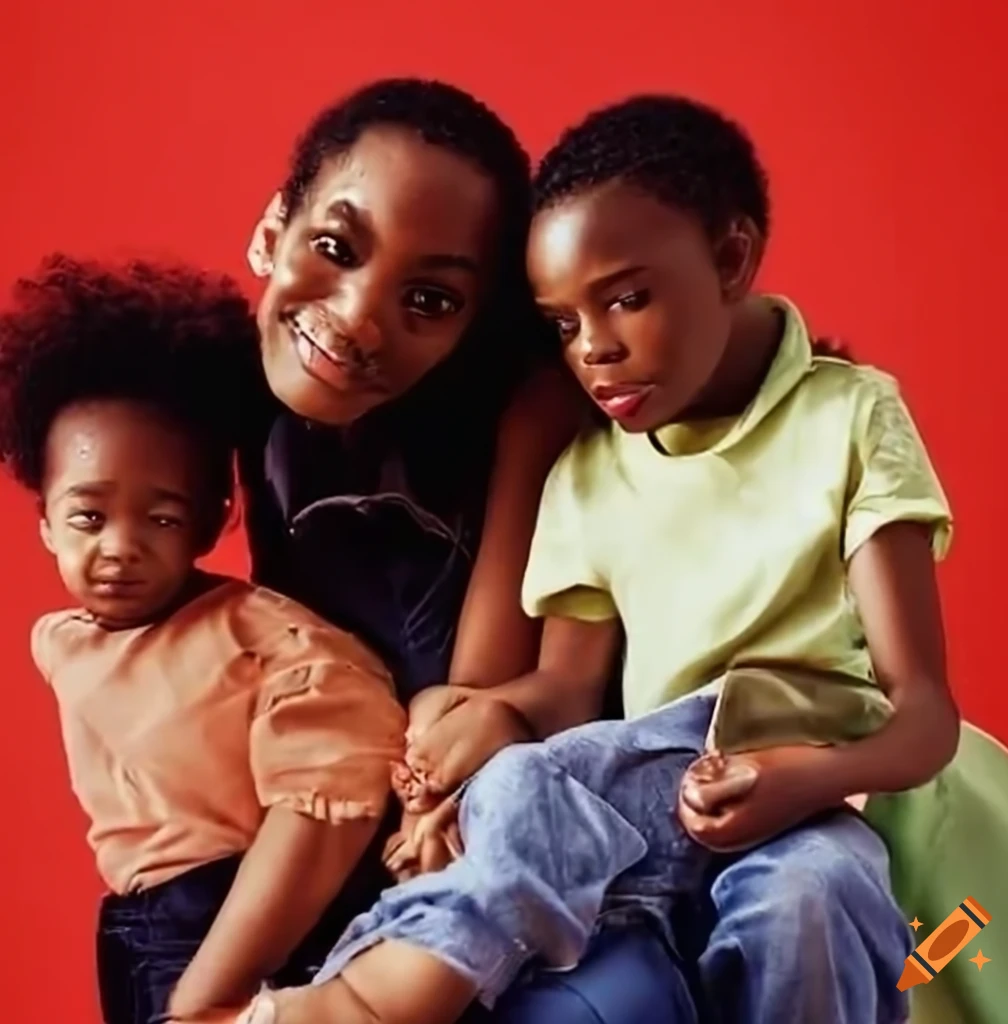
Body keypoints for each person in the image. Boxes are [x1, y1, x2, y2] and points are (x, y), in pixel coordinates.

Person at [213, 94, 960, 1024]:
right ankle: (367, 988)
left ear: (730, 258)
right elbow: (565, 690)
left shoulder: (849, 419)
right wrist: (483, 728)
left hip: (804, 800)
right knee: (527, 779)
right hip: (653, 811)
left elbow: (926, 713)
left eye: (626, 299)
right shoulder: (590, 469)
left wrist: (799, 778)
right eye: (563, 324)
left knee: (810, 898)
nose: (597, 350)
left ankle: (366, 998)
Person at [235, 79, 695, 1022]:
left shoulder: (529, 422)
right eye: (334, 247)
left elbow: (483, 705)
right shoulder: (222, 399)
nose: (361, 317)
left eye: (429, 298)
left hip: (521, 853)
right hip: (335, 839)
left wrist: (445, 778)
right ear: (272, 227)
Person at [0, 256, 407, 1024]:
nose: (119, 547)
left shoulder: (275, 645)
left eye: (159, 518)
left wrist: (209, 991)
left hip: (241, 921)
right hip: (131, 929)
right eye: (89, 517)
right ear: (45, 521)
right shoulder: (61, 641)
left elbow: (333, 802)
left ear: (213, 517)